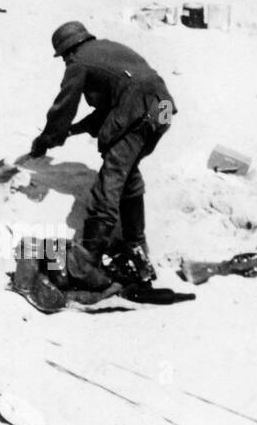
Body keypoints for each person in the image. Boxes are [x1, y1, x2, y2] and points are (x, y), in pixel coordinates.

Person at [30, 21, 175, 289]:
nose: (65, 61)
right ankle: (136, 249)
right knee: (127, 172)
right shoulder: (108, 50)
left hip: (140, 110)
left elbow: (64, 107)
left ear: (69, 51)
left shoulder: (79, 62)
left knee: (109, 181)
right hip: (163, 108)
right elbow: (115, 104)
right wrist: (71, 132)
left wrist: (46, 139)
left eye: (63, 57)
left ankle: (83, 265)